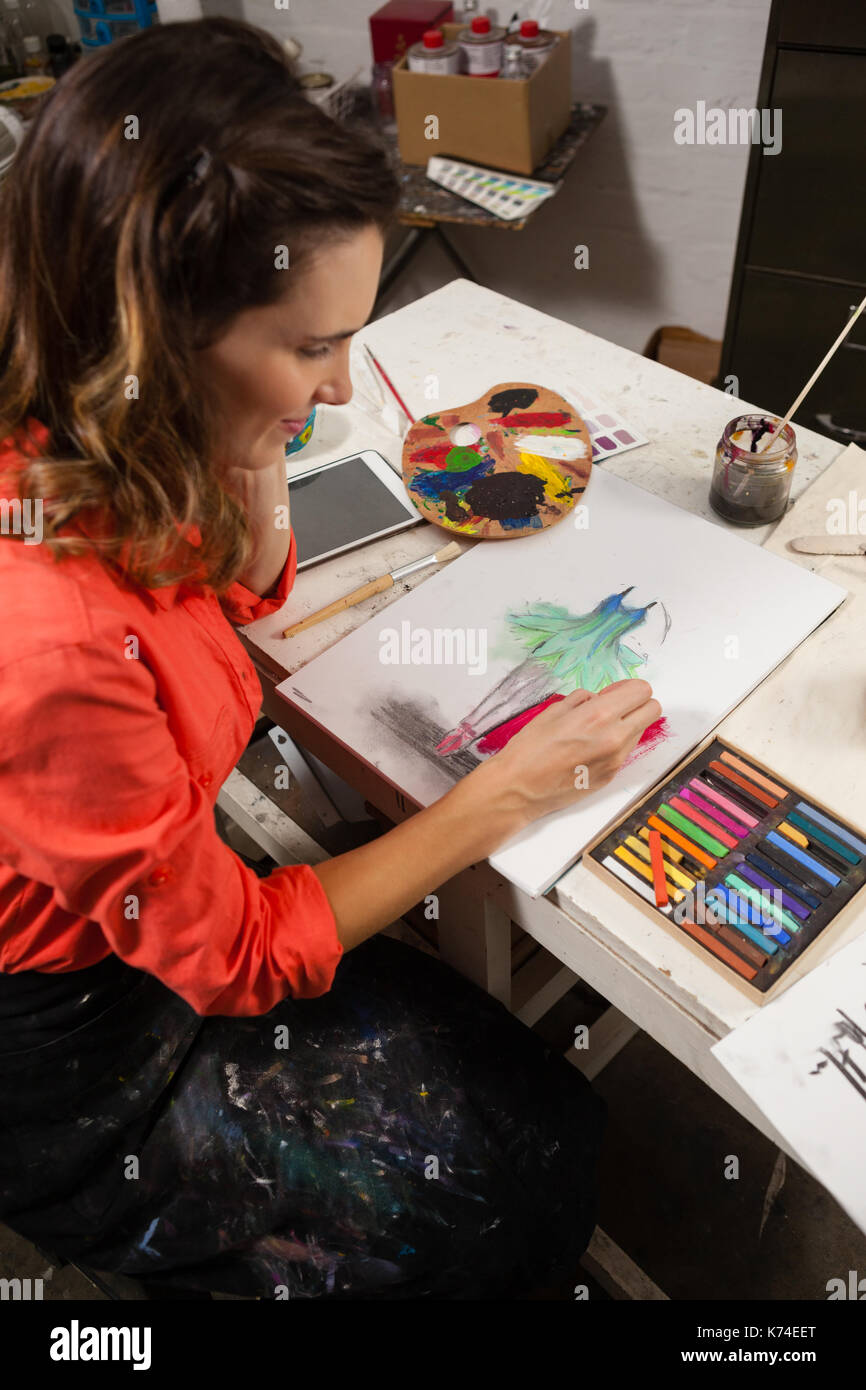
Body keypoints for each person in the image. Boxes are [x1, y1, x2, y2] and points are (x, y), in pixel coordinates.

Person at [0, 18, 661, 1299]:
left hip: (164, 930)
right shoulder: (47, 631)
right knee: (485, 1196)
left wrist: (255, 443)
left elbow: (236, 587)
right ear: (151, 329)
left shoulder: (100, 422)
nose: (348, 387)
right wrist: (503, 795)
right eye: (312, 346)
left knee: (528, 1110)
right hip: (79, 1052)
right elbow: (236, 956)